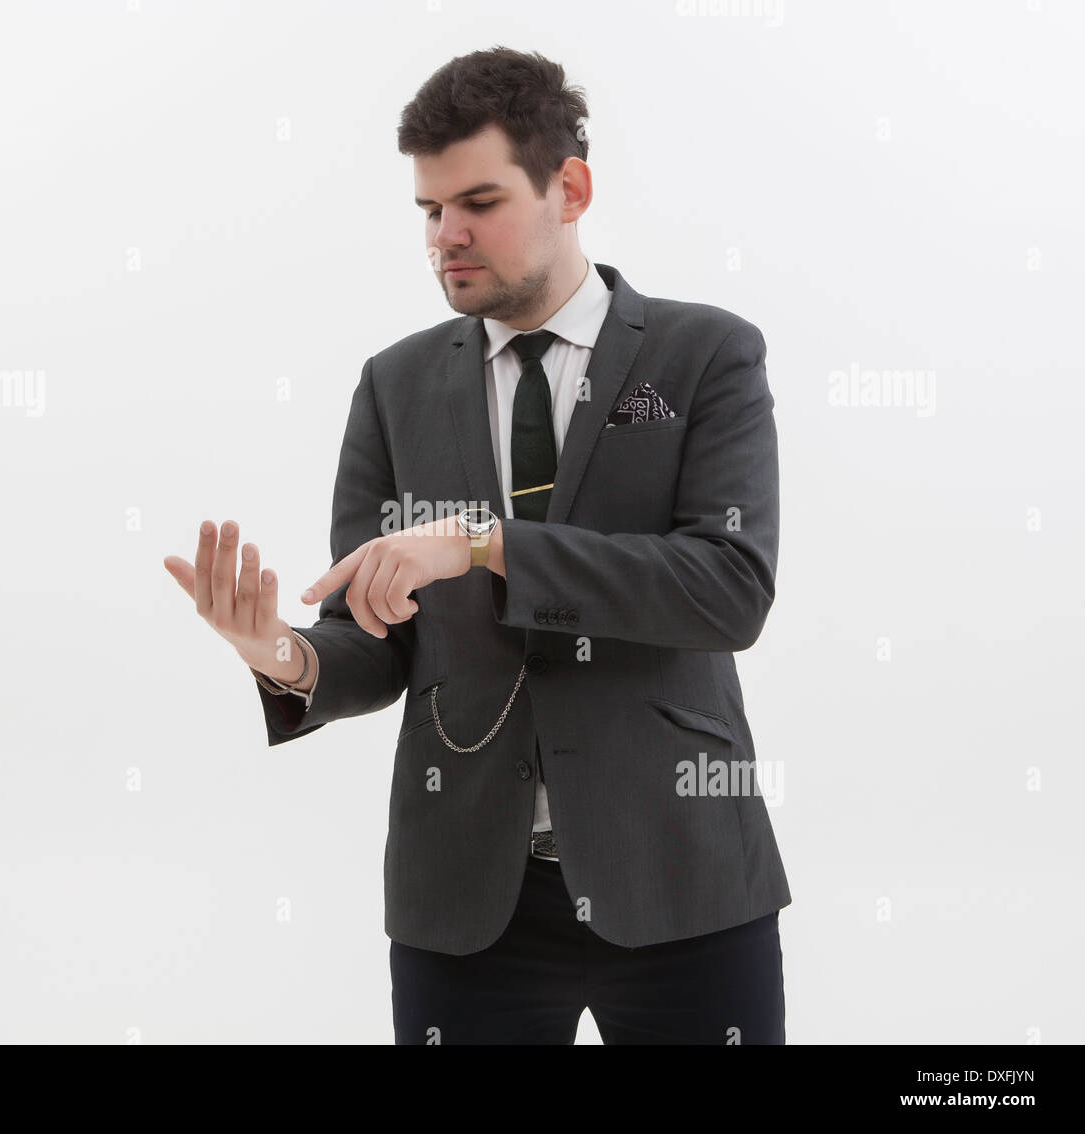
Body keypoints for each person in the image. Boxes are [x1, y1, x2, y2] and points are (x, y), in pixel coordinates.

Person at [163, 45, 791, 1045]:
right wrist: (280, 655)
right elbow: (377, 641)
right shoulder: (394, 386)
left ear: (570, 188)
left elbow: (727, 590)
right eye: (427, 209)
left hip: (681, 879)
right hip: (464, 901)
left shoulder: (704, 355)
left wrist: (486, 545)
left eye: (479, 202)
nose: (444, 236)